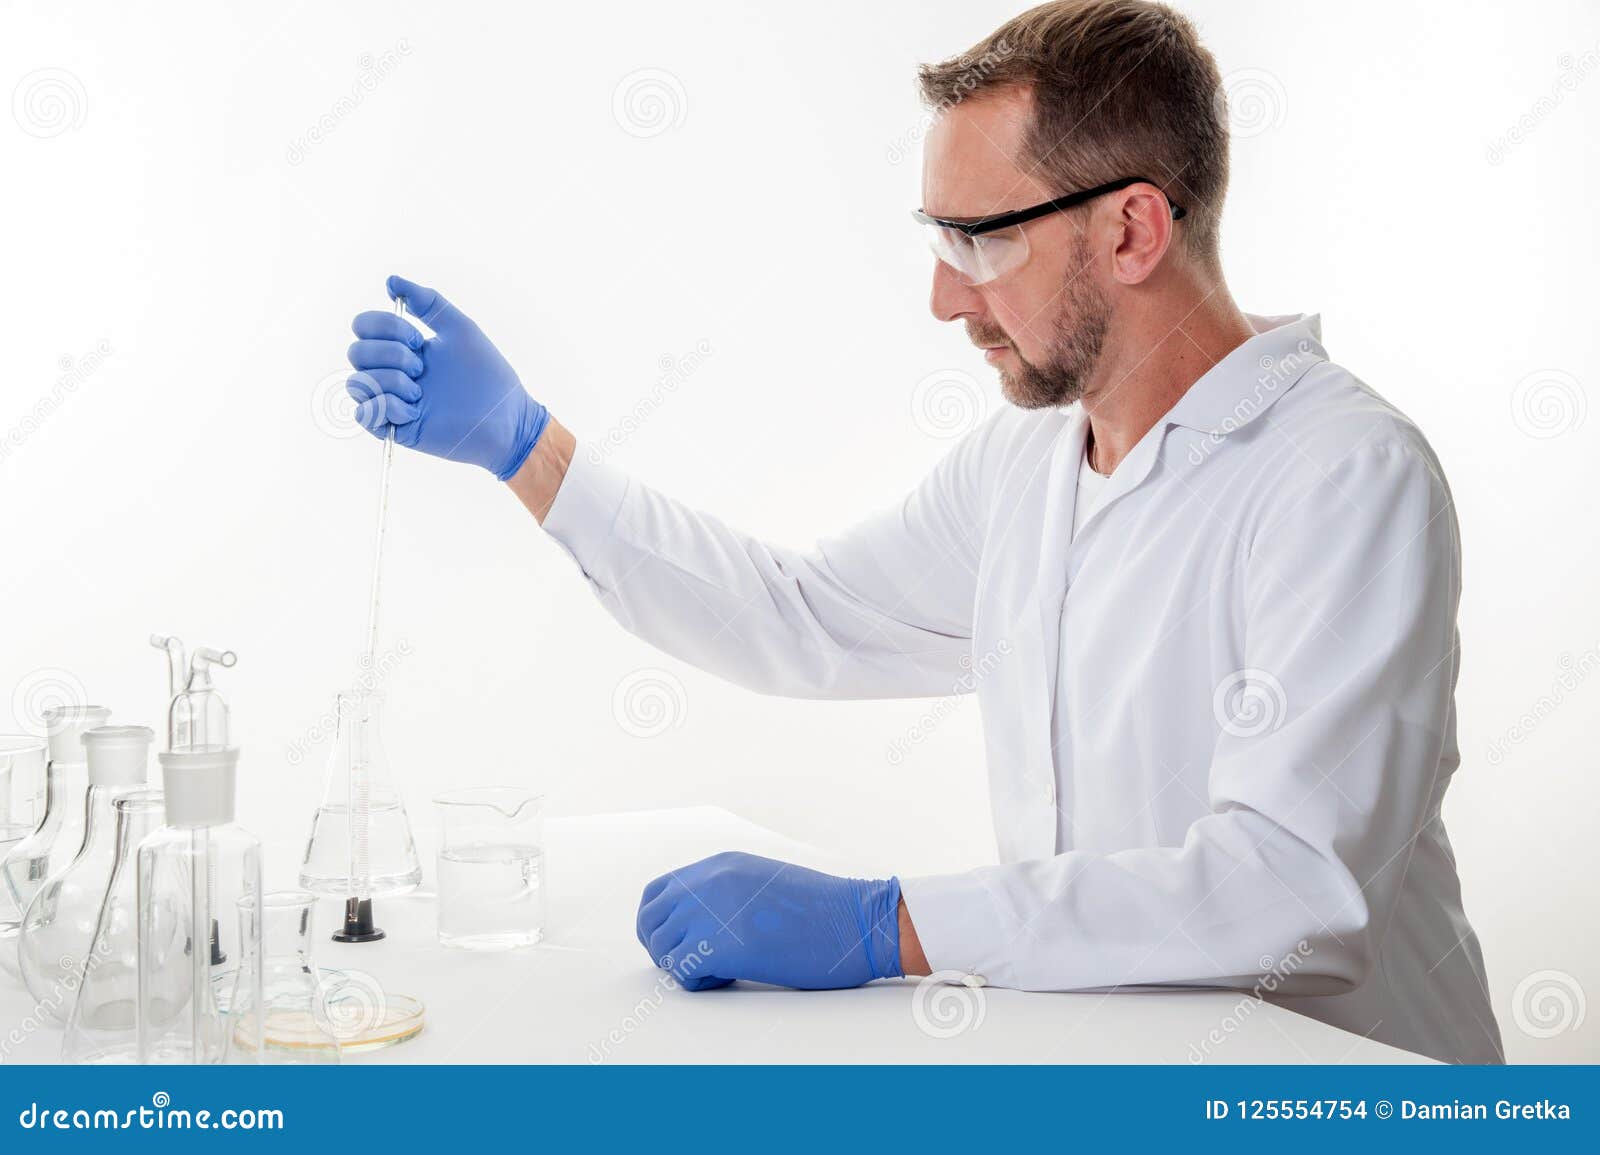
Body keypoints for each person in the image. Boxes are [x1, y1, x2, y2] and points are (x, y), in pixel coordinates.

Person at [342, 0, 1502, 1064]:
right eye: (938, 241)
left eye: (980, 241)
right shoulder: (1030, 461)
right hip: (1121, 1080)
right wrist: (526, 449)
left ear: (1134, 230)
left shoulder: (1344, 479)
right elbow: (804, 620)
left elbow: (1288, 892)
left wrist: (885, 925)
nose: (946, 298)